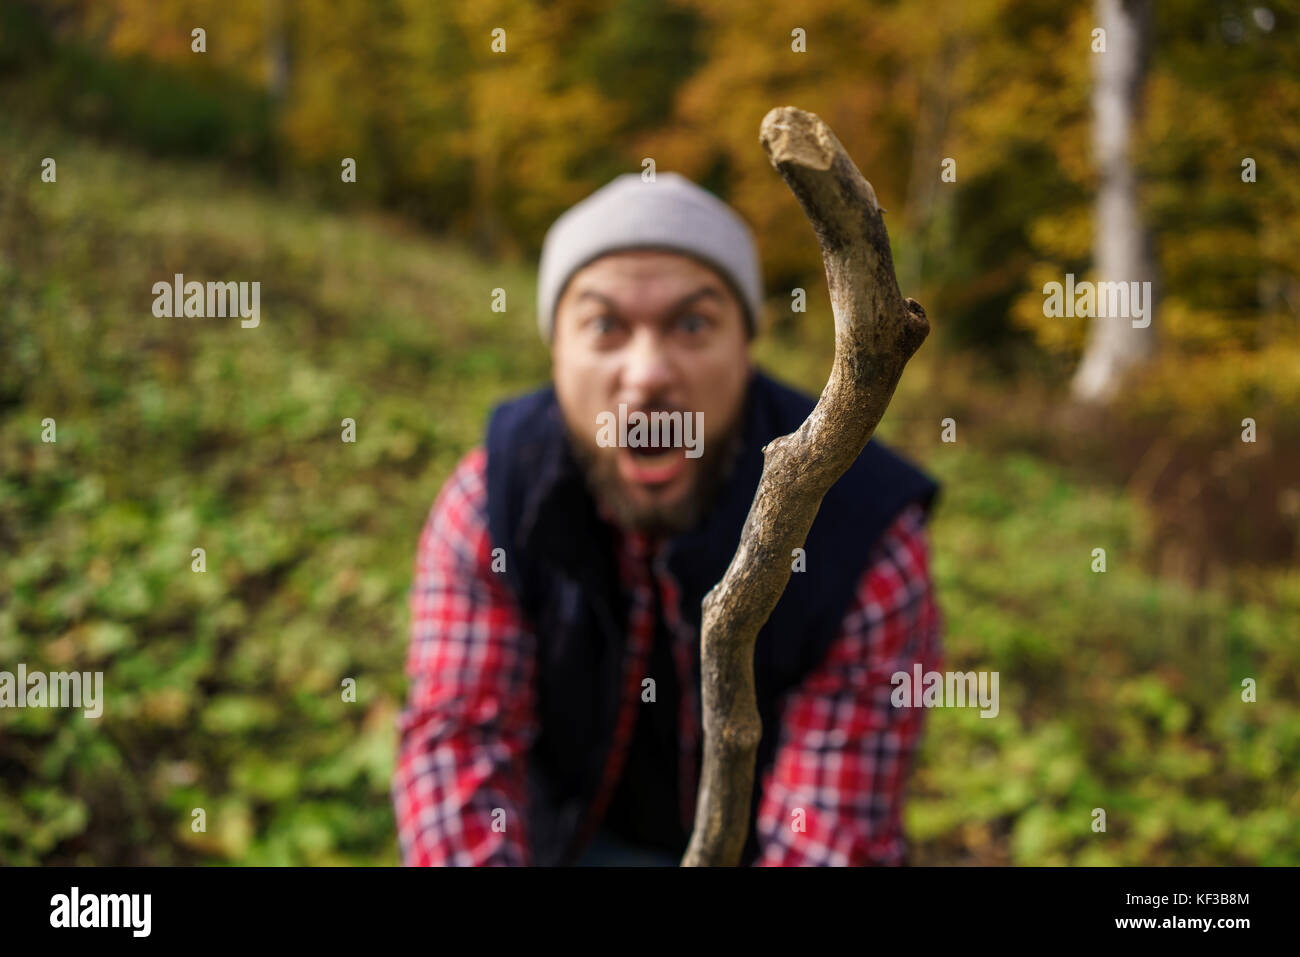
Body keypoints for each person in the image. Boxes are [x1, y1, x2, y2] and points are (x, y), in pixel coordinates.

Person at [392, 172, 943, 866]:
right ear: (555, 352)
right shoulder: (492, 501)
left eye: (692, 323)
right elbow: (459, 745)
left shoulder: (862, 532)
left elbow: (828, 839)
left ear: (746, 345)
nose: (648, 373)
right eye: (603, 325)